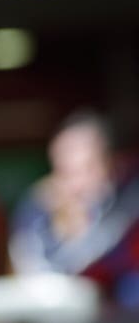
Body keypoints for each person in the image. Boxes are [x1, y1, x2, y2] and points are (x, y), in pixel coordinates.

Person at [9, 109, 139, 309]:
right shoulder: (38, 209)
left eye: (88, 169)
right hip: (63, 318)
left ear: (111, 164)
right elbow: (34, 275)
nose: (78, 184)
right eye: (67, 172)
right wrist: (62, 231)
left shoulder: (127, 200)